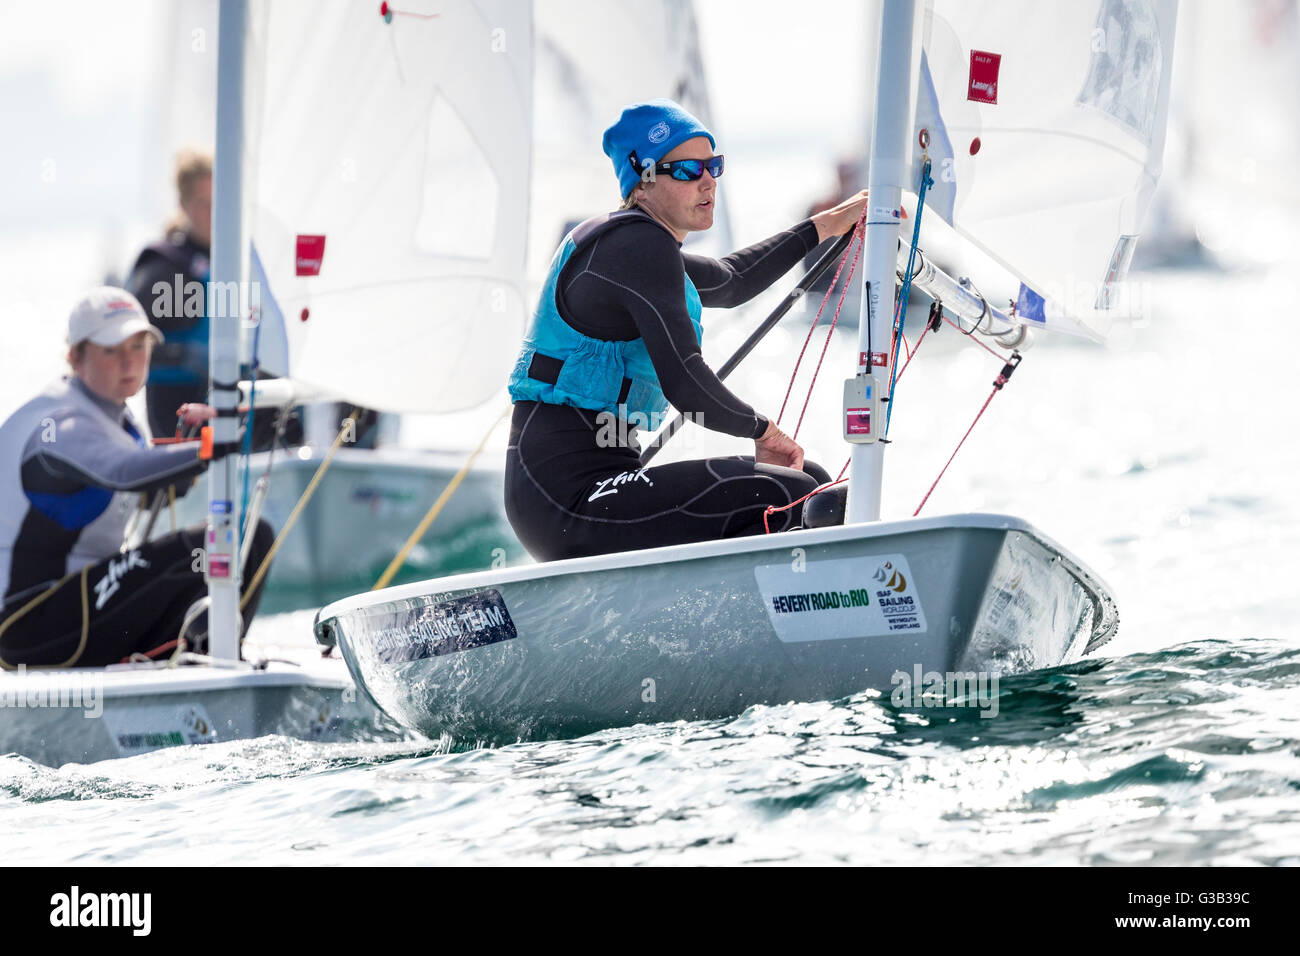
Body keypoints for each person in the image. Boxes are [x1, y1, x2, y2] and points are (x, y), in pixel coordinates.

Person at [505, 99, 868, 562]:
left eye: (714, 165)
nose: (707, 181)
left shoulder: (637, 250)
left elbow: (733, 280)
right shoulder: (634, 244)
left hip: (587, 488)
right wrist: (763, 432)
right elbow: (686, 383)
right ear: (645, 179)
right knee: (796, 492)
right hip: (567, 501)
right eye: (688, 169)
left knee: (812, 484)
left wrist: (828, 224)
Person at [0, 288, 272, 669]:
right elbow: (122, 470)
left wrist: (184, 460)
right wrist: (209, 448)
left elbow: (130, 483)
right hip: (27, 629)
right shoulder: (60, 422)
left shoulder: (117, 422)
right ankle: (213, 668)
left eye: (139, 345)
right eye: (111, 350)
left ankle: (202, 661)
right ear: (75, 356)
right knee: (235, 539)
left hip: (76, 614)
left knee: (246, 539)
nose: (129, 361)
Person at [127, 149, 212, 439]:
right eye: (204, 204)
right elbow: (129, 344)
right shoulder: (164, 267)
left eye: (221, 202)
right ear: (183, 205)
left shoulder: (243, 263)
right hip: (177, 415)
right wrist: (187, 357)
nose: (214, 213)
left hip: (235, 415)